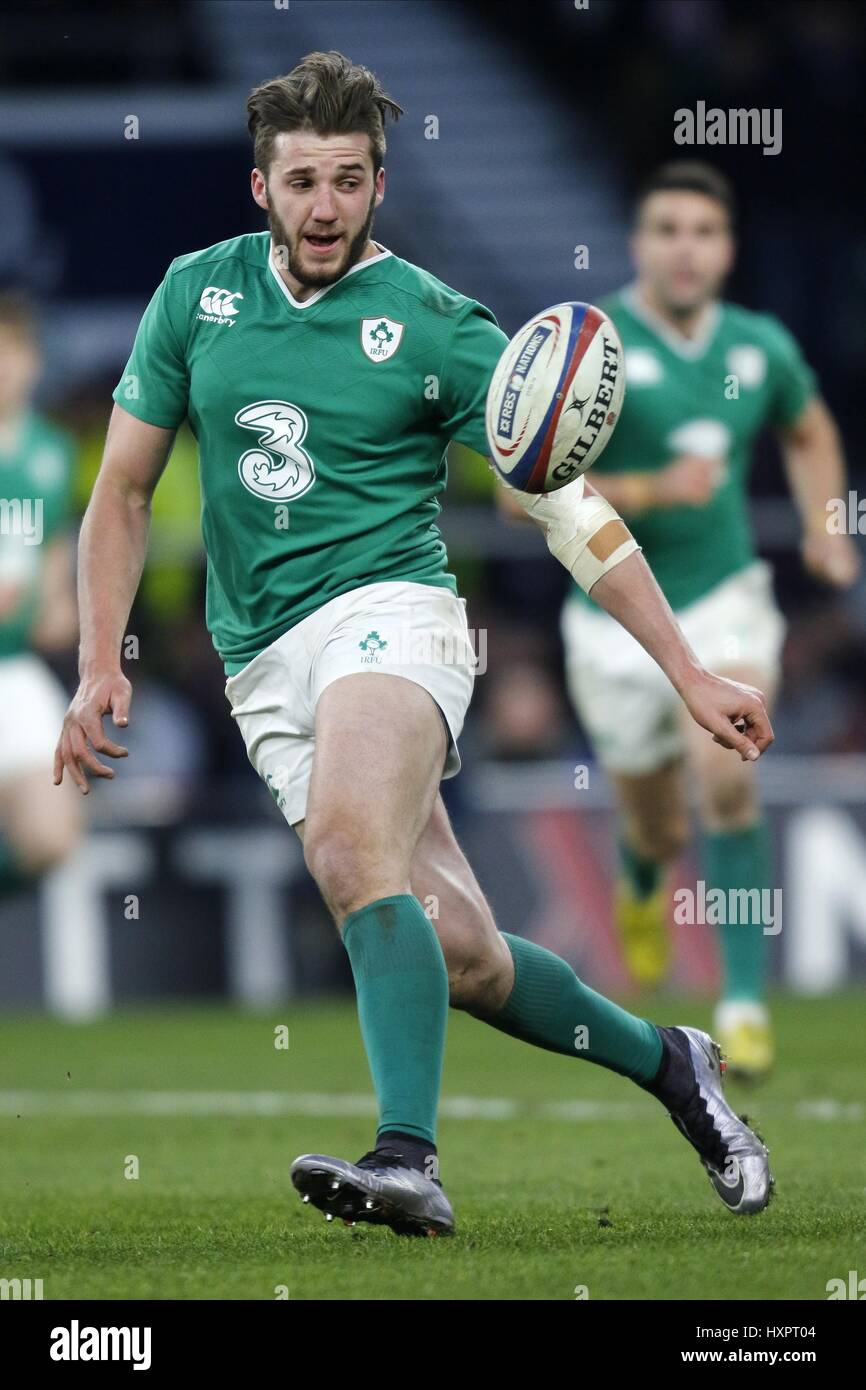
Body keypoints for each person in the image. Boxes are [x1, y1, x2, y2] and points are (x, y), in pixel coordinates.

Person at [55, 54, 776, 1236]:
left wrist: (686, 668)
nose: (324, 205)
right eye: (301, 182)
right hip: (260, 660)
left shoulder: (437, 326)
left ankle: (406, 1156)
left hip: (395, 616)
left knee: (349, 846)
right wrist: (99, 659)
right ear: (258, 187)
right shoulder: (196, 295)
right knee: (464, 955)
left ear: (379, 183)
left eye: (347, 179)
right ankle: (670, 1063)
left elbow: (566, 505)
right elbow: (122, 492)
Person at [559, 162, 859, 1079]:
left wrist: (825, 527)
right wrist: (650, 488)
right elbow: (517, 481)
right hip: (613, 617)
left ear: (727, 250)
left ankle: (741, 1002)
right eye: (666, 231)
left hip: (726, 594)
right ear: (638, 244)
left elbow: (808, 430)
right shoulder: (593, 346)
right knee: (656, 823)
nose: (684, 249)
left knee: (726, 773)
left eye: (702, 232)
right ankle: (643, 878)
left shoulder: (758, 345)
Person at [0, 291, 81, 902]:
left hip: (13, 667)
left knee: (52, 837)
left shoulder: (51, 453)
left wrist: (56, 605)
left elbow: (52, 569)